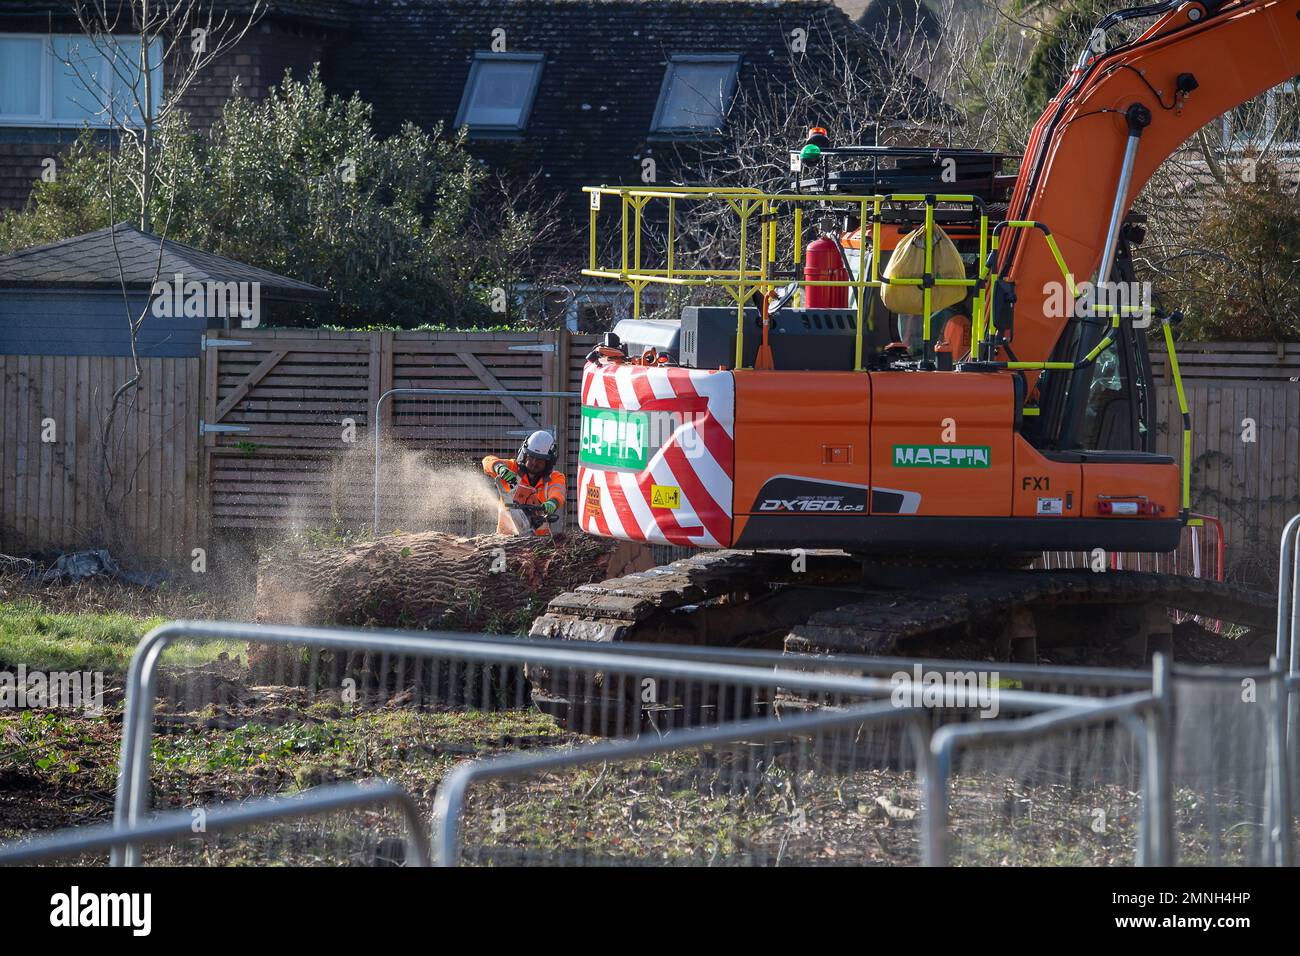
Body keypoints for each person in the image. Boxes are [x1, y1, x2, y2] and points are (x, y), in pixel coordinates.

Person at [482, 430, 565, 536]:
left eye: (539, 460)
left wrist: (553, 502)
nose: (534, 463)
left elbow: (558, 493)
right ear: (525, 454)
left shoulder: (555, 477)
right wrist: (499, 468)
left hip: (539, 540)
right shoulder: (513, 468)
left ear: (548, 462)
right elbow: (487, 461)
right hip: (505, 537)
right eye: (531, 457)